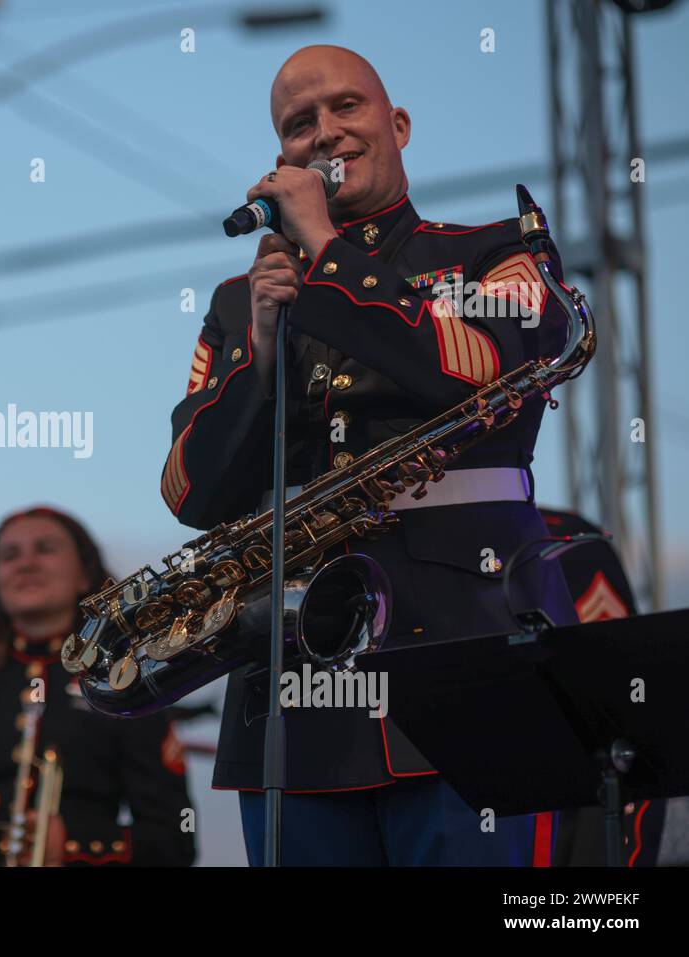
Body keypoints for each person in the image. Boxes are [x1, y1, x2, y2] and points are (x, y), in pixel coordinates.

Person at [161, 45, 577, 865]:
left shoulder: (491, 250)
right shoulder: (239, 302)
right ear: (282, 157)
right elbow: (189, 486)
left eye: (346, 108)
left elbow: (482, 369)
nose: (325, 133)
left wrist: (325, 248)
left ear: (399, 125)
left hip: (468, 651)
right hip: (292, 687)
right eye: (298, 124)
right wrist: (262, 352)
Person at [0, 506, 196, 866]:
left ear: (84, 576)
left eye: (45, 549)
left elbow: (177, 840)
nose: (26, 563)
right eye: (9, 555)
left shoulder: (123, 681)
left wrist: (74, 845)